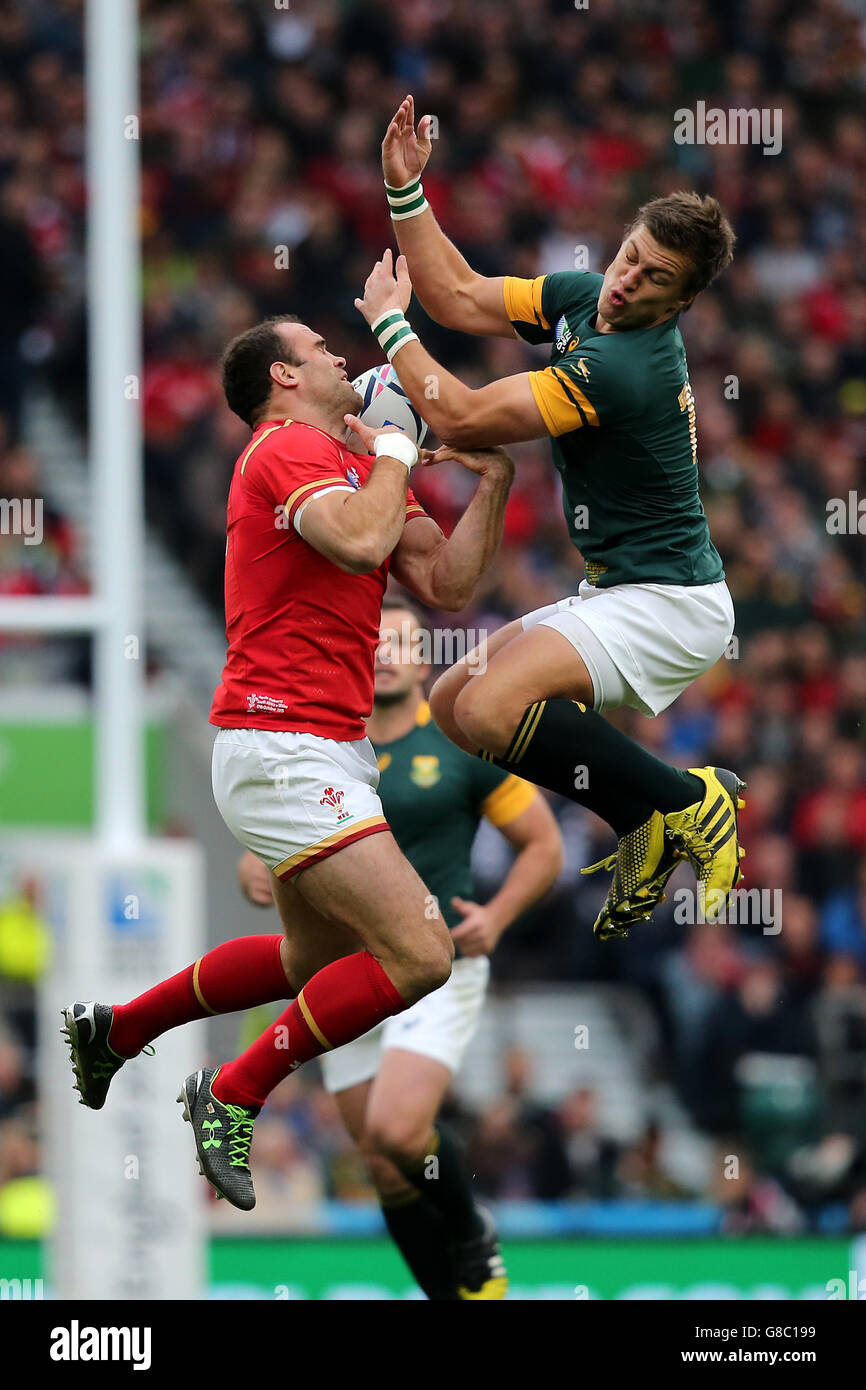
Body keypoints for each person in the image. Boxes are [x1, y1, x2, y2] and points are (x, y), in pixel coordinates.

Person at [62, 312, 515, 1212]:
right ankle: (235, 1090)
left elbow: (450, 584)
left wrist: (491, 481)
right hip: (281, 738)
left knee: (315, 963)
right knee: (422, 955)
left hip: (327, 745)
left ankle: (119, 1030)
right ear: (282, 376)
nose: (342, 357)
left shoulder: (363, 469)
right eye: (319, 349)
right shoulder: (281, 452)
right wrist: (392, 446)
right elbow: (353, 541)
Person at [346, 94, 747, 944]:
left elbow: (452, 415)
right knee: (456, 707)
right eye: (631, 257)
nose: (627, 281)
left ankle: (686, 798)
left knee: (491, 713)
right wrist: (406, 194)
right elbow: (455, 295)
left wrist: (388, 324)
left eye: (653, 280)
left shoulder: (622, 368)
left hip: (671, 604)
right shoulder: (586, 295)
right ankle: (642, 818)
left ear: (679, 304)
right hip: (620, 588)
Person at [238, 595, 563, 1298]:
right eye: (372, 642)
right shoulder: (324, 746)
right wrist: (256, 867)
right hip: (348, 975)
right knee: (382, 1165)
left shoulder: (457, 741)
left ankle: (473, 1226)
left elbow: (543, 846)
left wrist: (499, 918)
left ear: (422, 659)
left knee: (396, 1129)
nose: (384, 653)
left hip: (437, 966)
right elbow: (270, 848)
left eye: (401, 643)